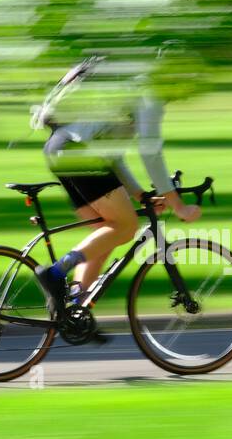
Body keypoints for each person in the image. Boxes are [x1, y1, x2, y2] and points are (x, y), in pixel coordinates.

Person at [31, 46, 202, 315]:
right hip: (81, 153)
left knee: (104, 231)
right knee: (125, 227)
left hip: (59, 148)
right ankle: (55, 273)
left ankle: (74, 310)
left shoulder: (130, 90)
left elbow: (115, 156)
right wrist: (178, 205)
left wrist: (140, 195)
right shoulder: (150, 96)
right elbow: (150, 152)